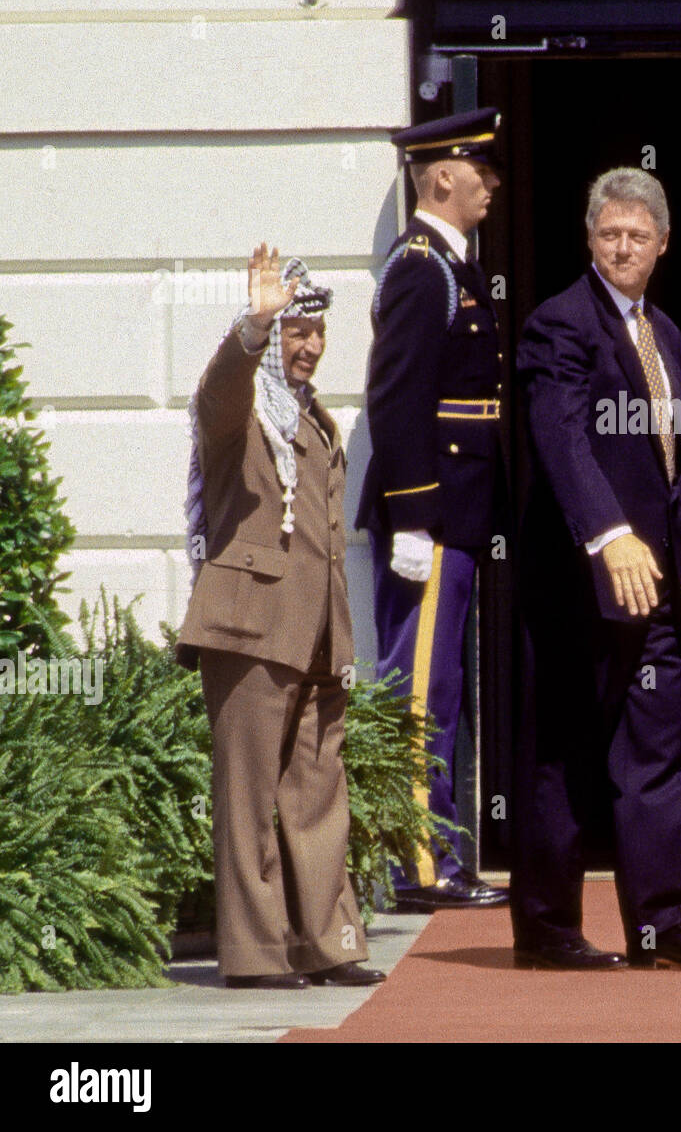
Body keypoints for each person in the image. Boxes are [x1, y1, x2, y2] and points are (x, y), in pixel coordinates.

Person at [509, 167, 681, 972]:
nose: (622, 247)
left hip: (661, 588)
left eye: (637, 236)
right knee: (566, 754)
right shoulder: (557, 327)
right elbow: (562, 436)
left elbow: (678, 465)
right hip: (580, 584)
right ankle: (547, 931)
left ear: (663, 244)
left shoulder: (665, 335)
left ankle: (663, 926)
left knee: (663, 753)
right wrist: (608, 535)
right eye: (609, 234)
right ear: (589, 239)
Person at [178, 245, 384, 989]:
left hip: (316, 633)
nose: (312, 345)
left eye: (317, 331)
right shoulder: (241, 413)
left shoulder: (312, 416)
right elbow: (215, 394)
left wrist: (344, 634)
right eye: (299, 331)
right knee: (247, 799)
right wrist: (253, 330)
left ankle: (328, 943)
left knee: (318, 795)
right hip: (248, 630)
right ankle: (256, 956)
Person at [355, 109, 510, 911]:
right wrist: (412, 516)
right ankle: (417, 865)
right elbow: (396, 395)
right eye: (480, 170)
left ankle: (432, 853)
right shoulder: (423, 267)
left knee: (438, 687)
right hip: (435, 513)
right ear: (441, 176)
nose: (491, 184)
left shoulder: (453, 265)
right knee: (417, 692)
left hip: (459, 512)